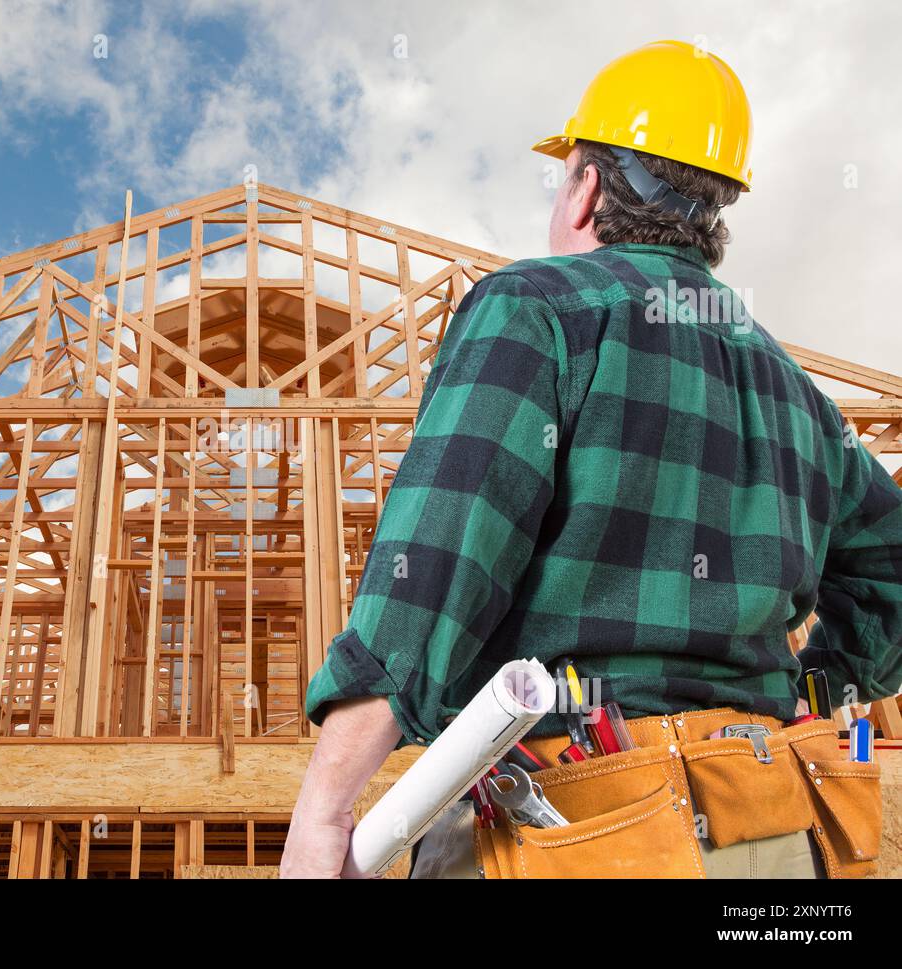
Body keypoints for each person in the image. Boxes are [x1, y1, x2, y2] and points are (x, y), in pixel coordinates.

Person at [280, 39, 902, 879]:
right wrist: (819, 688)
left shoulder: (535, 312)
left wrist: (324, 810)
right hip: (773, 830)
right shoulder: (796, 394)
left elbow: (428, 574)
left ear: (589, 189)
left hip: (572, 826)